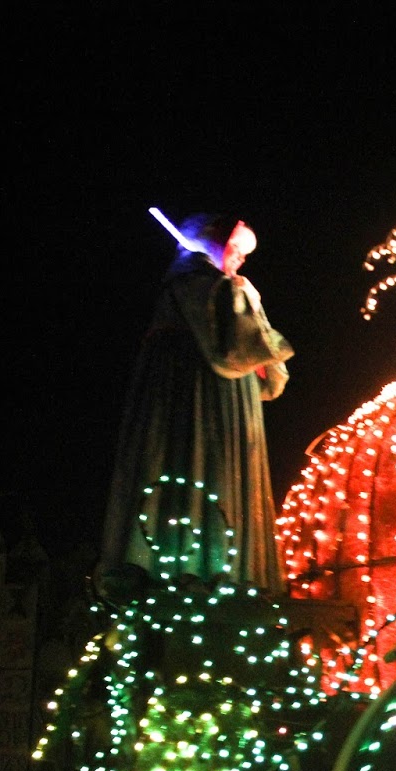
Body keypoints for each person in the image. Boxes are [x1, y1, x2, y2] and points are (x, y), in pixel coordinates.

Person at [97, 213, 294, 602]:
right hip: (192, 393)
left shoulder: (214, 285)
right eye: (234, 248)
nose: (239, 259)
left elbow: (253, 354)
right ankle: (191, 567)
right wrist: (242, 295)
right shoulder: (194, 284)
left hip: (224, 395)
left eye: (243, 253)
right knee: (192, 463)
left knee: (219, 468)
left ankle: (220, 567)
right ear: (213, 243)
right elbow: (235, 341)